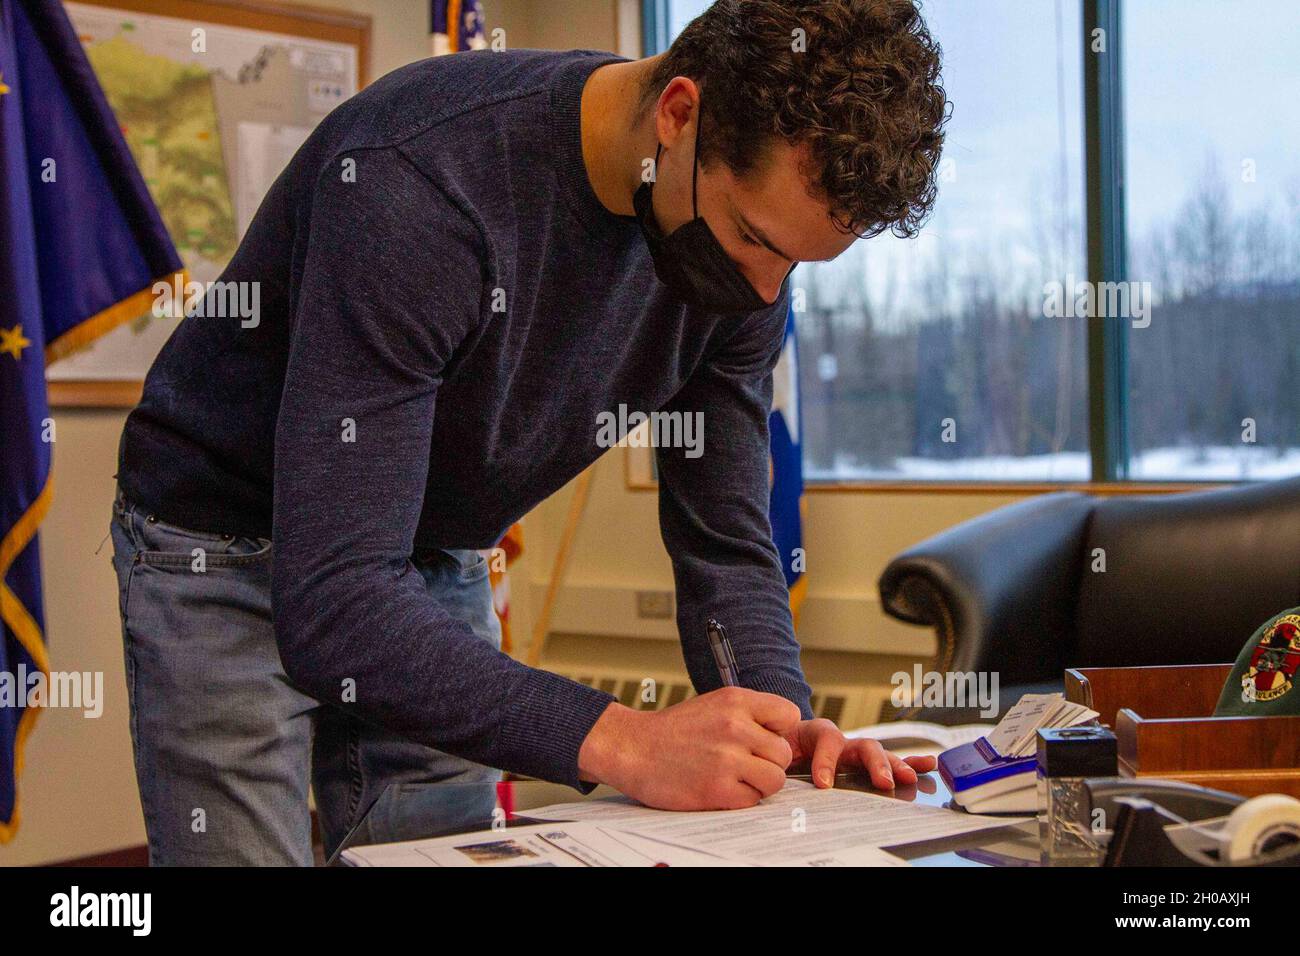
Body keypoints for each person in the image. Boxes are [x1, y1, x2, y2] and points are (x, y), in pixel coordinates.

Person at [110, 0, 949, 864]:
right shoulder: (421, 182)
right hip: (223, 538)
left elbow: (727, 543)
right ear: (680, 114)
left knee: (445, 853)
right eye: (751, 237)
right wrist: (628, 742)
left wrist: (783, 734)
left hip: (428, 553)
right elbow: (337, 602)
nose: (767, 295)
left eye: (796, 265)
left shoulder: (741, 268)